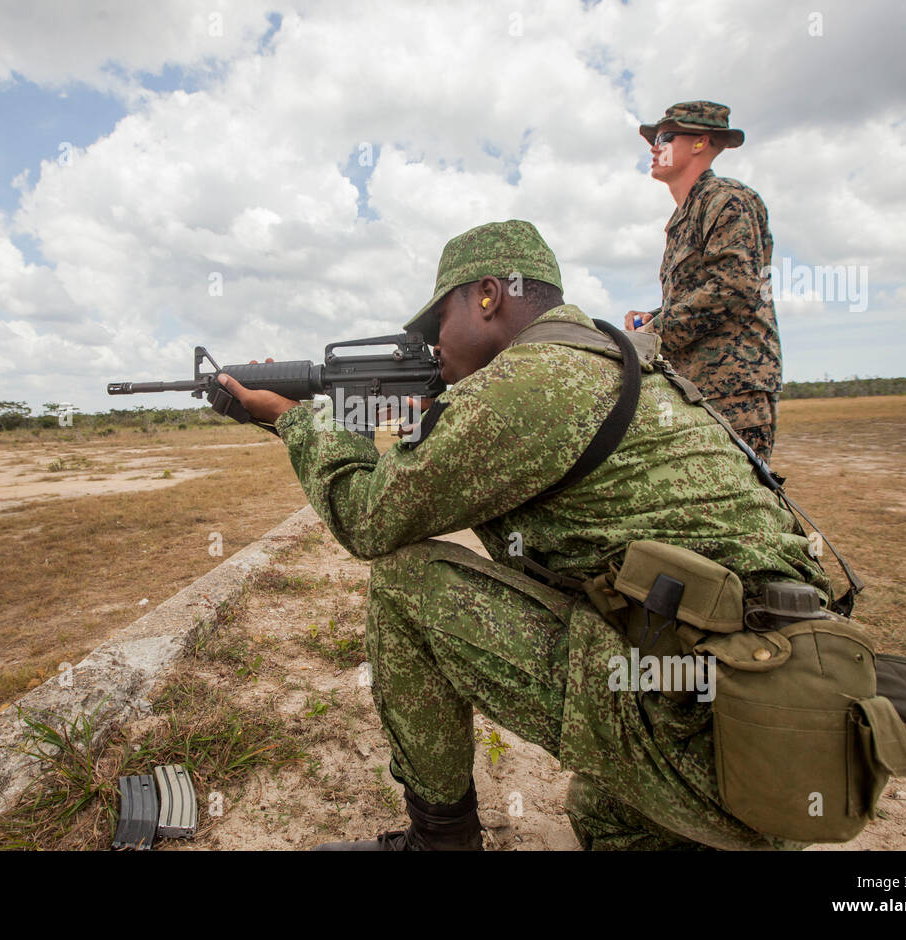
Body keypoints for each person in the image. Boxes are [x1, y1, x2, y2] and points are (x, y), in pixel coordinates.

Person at [216, 219, 831, 851]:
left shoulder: (530, 383)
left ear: (488, 295)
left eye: (435, 327)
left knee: (405, 582)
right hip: (788, 728)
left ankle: (440, 842)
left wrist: (297, 423)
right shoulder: (608, 358)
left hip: (717, 730)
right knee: (600, 810)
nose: (432, 348)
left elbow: (369, 518)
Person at [625, 101, 782, 462]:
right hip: (694, 389)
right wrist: (652, 317)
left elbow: (733, 288)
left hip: (732, 390)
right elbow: (702, 293)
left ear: (700, 142)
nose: (653, 147)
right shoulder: (685, 215)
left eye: (664, 136)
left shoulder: (726, 200)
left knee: (736, 510)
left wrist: (654, 331)